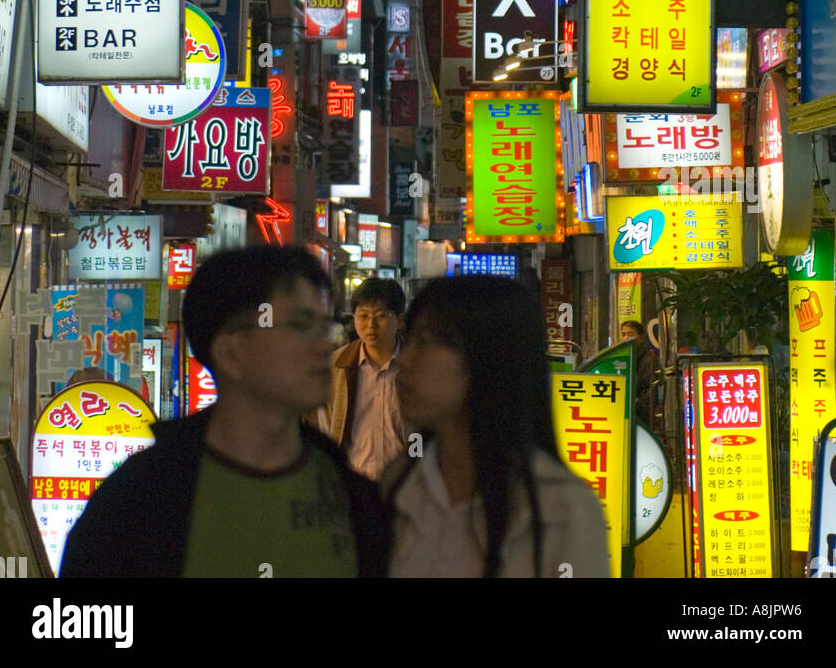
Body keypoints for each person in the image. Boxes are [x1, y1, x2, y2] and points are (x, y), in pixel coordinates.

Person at [60, 246, 389, 578]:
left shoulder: (351, 495)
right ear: (232, 352)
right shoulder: (141, 502)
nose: (323, 346)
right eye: (300, 326)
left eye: (324, 328)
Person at [384, 276, 610, 579]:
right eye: (408, 340)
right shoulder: (400, 485)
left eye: (425, 342)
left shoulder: (562, 509)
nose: (404, 360)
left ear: (488, 356)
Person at [316, 278, 407, 480]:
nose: (370, 325)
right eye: (363, 316)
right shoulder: (337, 366)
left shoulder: (416, 366)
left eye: (381, 316)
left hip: (404, 483)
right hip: (353, 481)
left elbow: (423, 429)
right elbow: (327, 426)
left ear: (399, 320)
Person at [620, 320, 656, 426]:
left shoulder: (649, 359)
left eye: (630, 334)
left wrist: (635, 403)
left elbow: (651, 391)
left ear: (640, 337)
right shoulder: (623, 358)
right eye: (623, 334)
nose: (626, 338)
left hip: (641, 416)